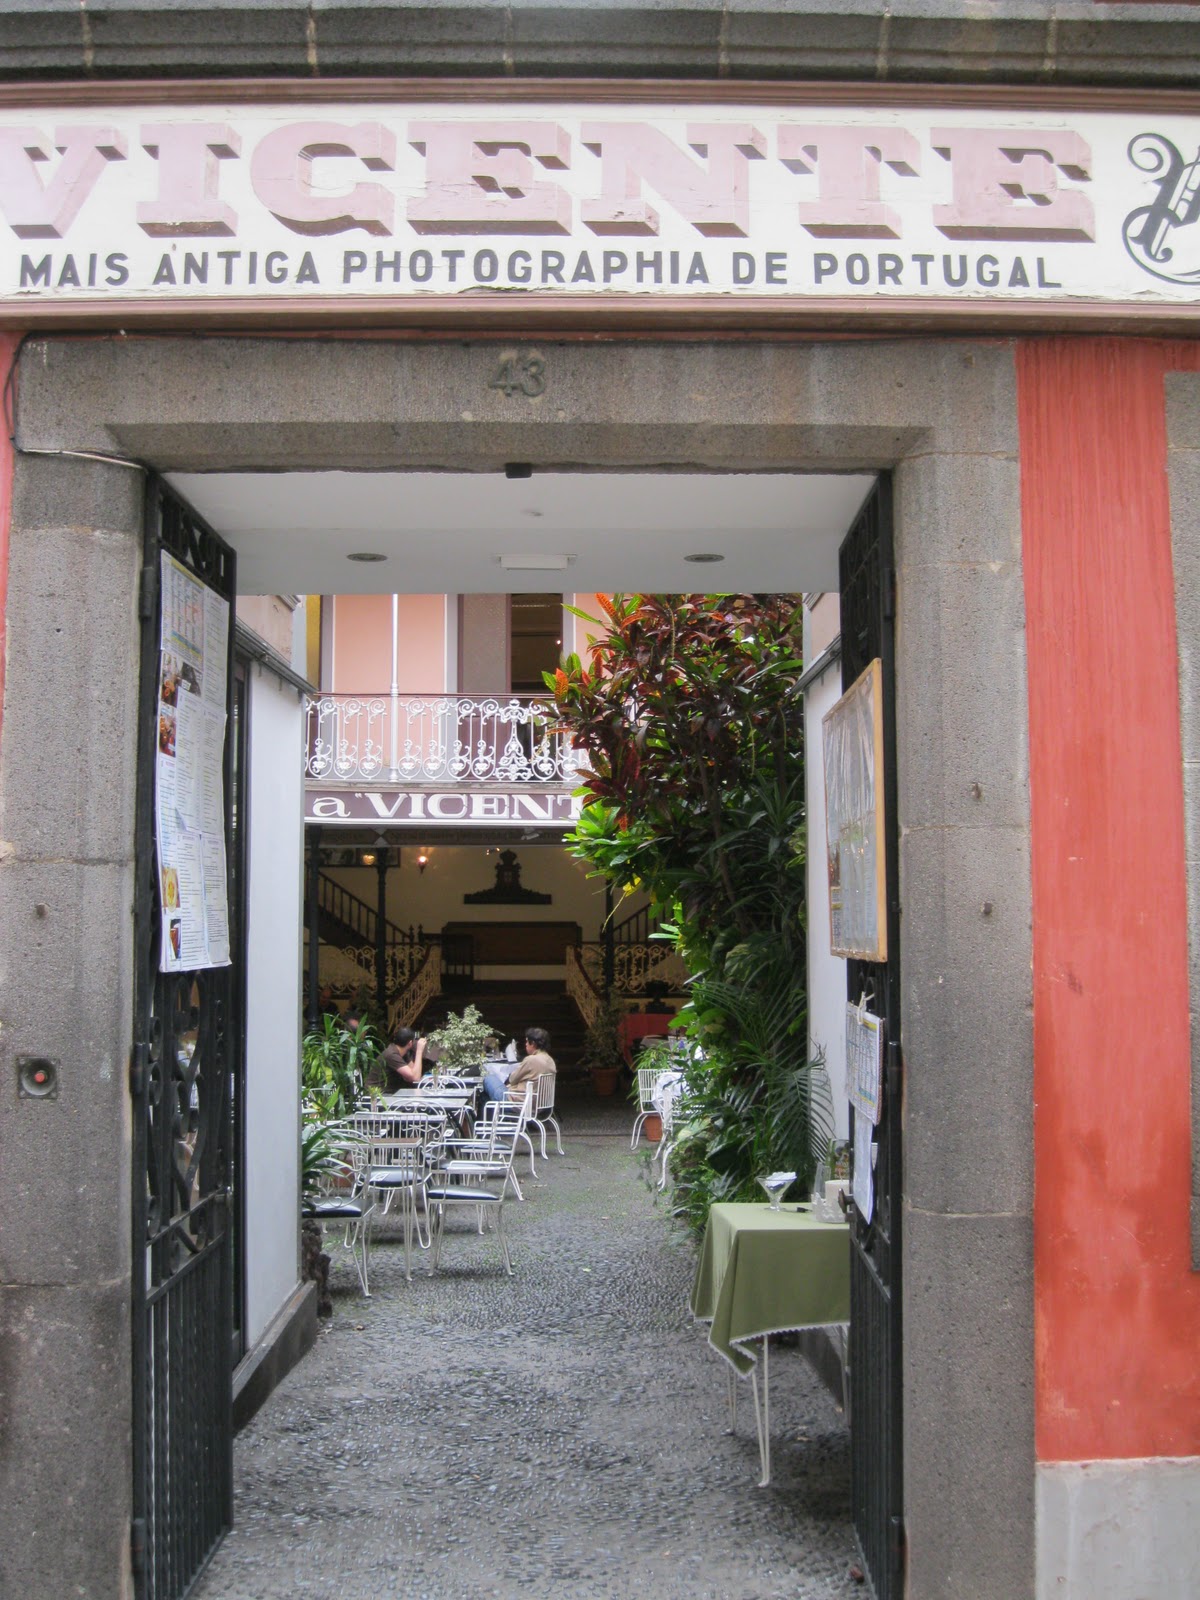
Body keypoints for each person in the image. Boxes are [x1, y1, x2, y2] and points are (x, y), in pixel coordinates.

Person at [482, 1027, 556, 1103]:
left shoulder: (531, 1060)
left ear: (533, 1043)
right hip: (539, 1104)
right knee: (486, 1096)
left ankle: (485, 1112)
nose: (526, 1044)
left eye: (527, 1041)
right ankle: (486, 1112)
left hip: (518, 1103)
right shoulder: (550, 1060)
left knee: (489, 1078)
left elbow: (512, 1079)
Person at [380, 1025, 427, 1092]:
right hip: (377, 1096)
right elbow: (416, 1077)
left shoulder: (402, 1053)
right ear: (410, 1043)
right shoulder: (391, 1054)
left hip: (391, 1093)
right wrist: (419, 1050)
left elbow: (414, 1073)